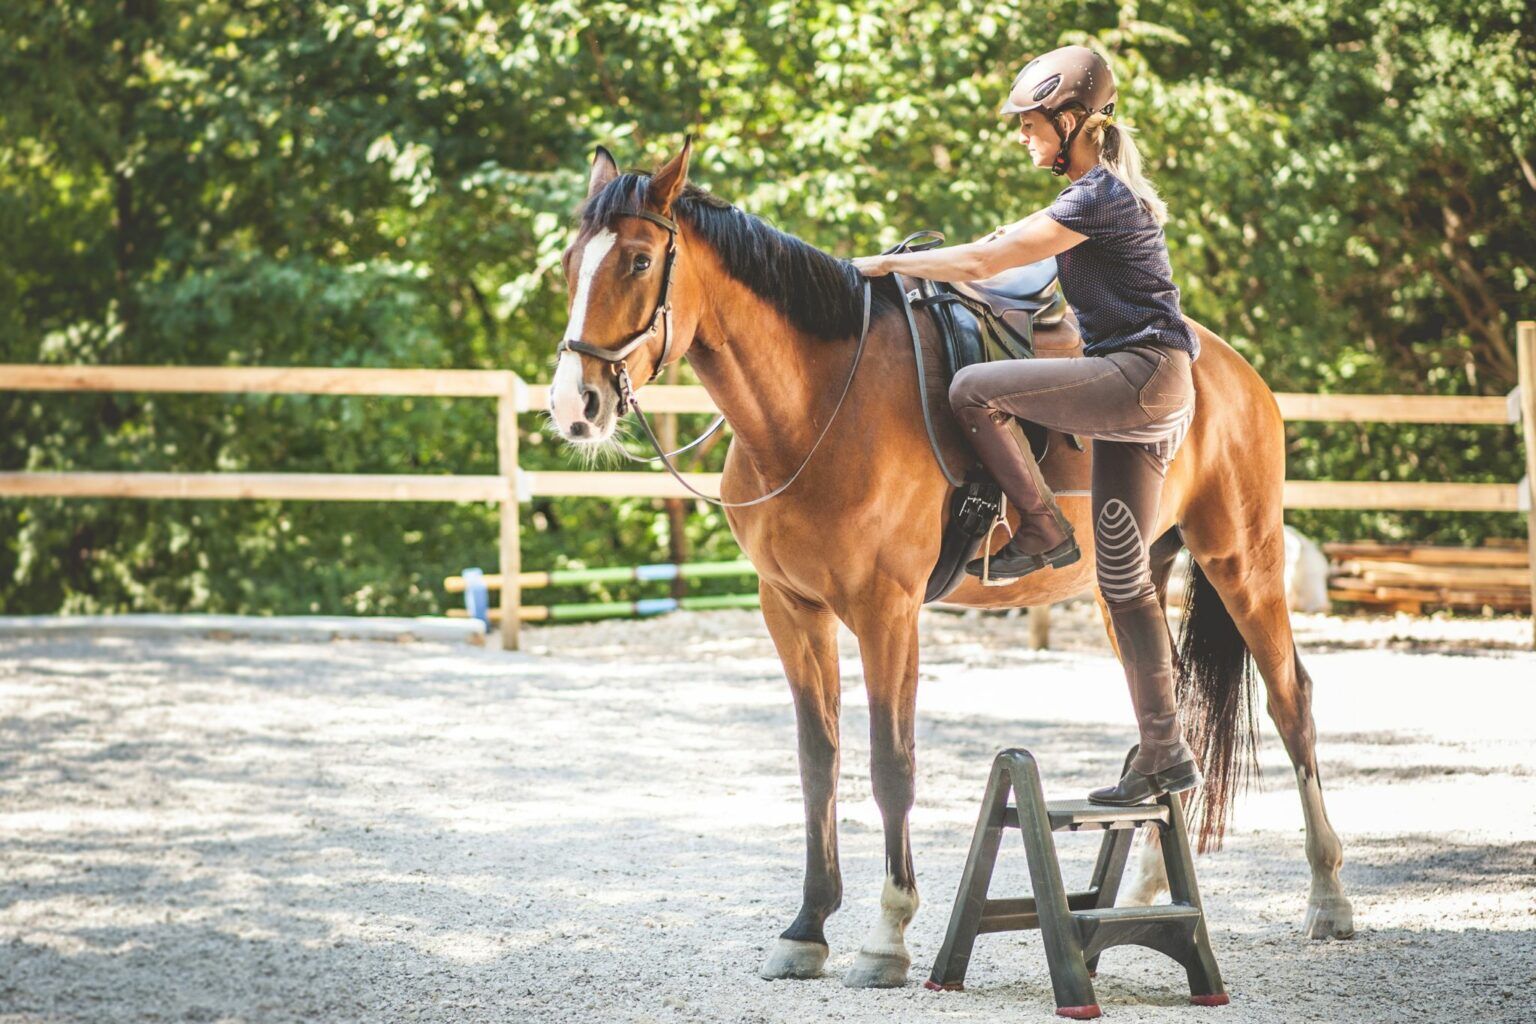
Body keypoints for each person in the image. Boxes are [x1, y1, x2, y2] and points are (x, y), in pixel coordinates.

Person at [850, 45, 1199, 806]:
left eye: (1030, 122)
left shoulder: (1096, 197)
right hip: (1154, 384)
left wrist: (887, 266)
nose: (1021, 134)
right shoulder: (1090, 196)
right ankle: (1166, 753)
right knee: (1123, 578)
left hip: (1139, 375)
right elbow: (1003, 260)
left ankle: (1039, 526)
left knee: (973, 390)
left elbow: (988, 259)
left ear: (1071, 122)